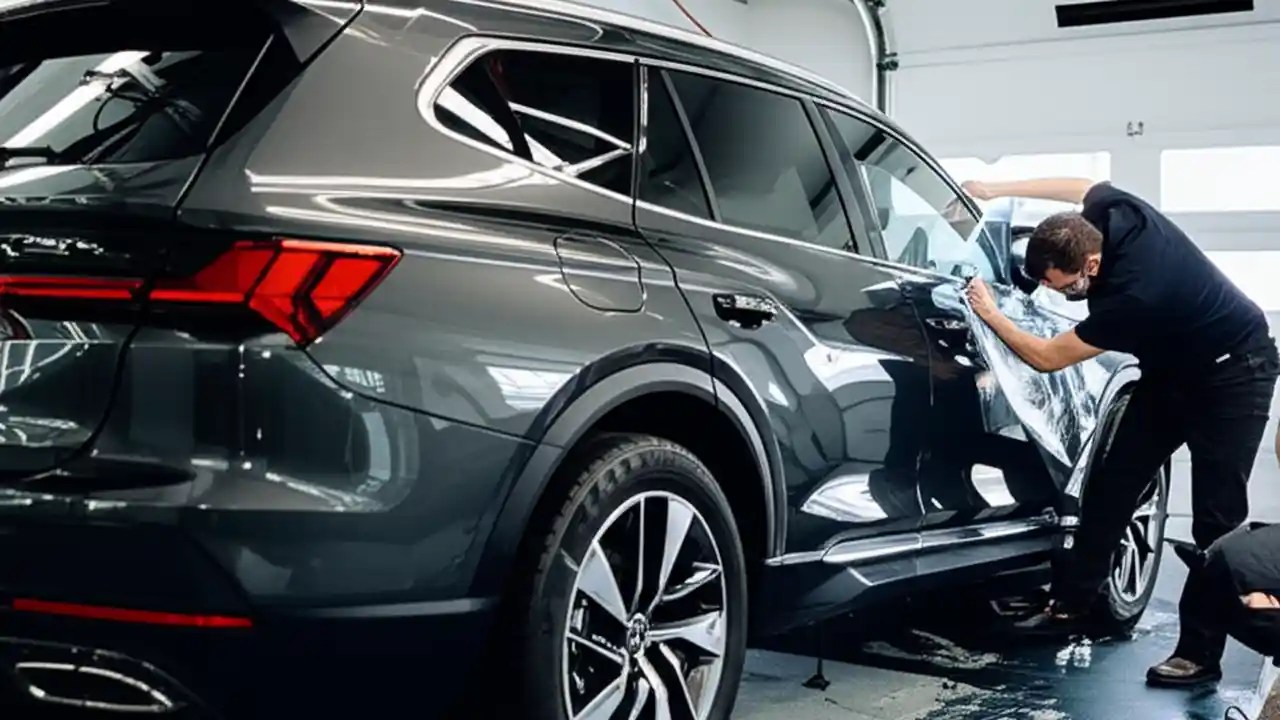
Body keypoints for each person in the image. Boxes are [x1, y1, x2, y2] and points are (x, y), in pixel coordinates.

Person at [961, 177, 1280, 688]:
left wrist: (991, 314)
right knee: (1111, 486)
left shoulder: (1136, 295)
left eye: (1063, 286)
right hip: (1170, 372)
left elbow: (1046, 358)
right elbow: (1080, 184)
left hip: (1235, 375)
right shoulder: (1111, 213)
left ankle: (1199, 655)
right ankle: (1072, 608)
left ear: (1090, 265)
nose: (1056, 294)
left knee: (1214, 522)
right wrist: (993, 187)